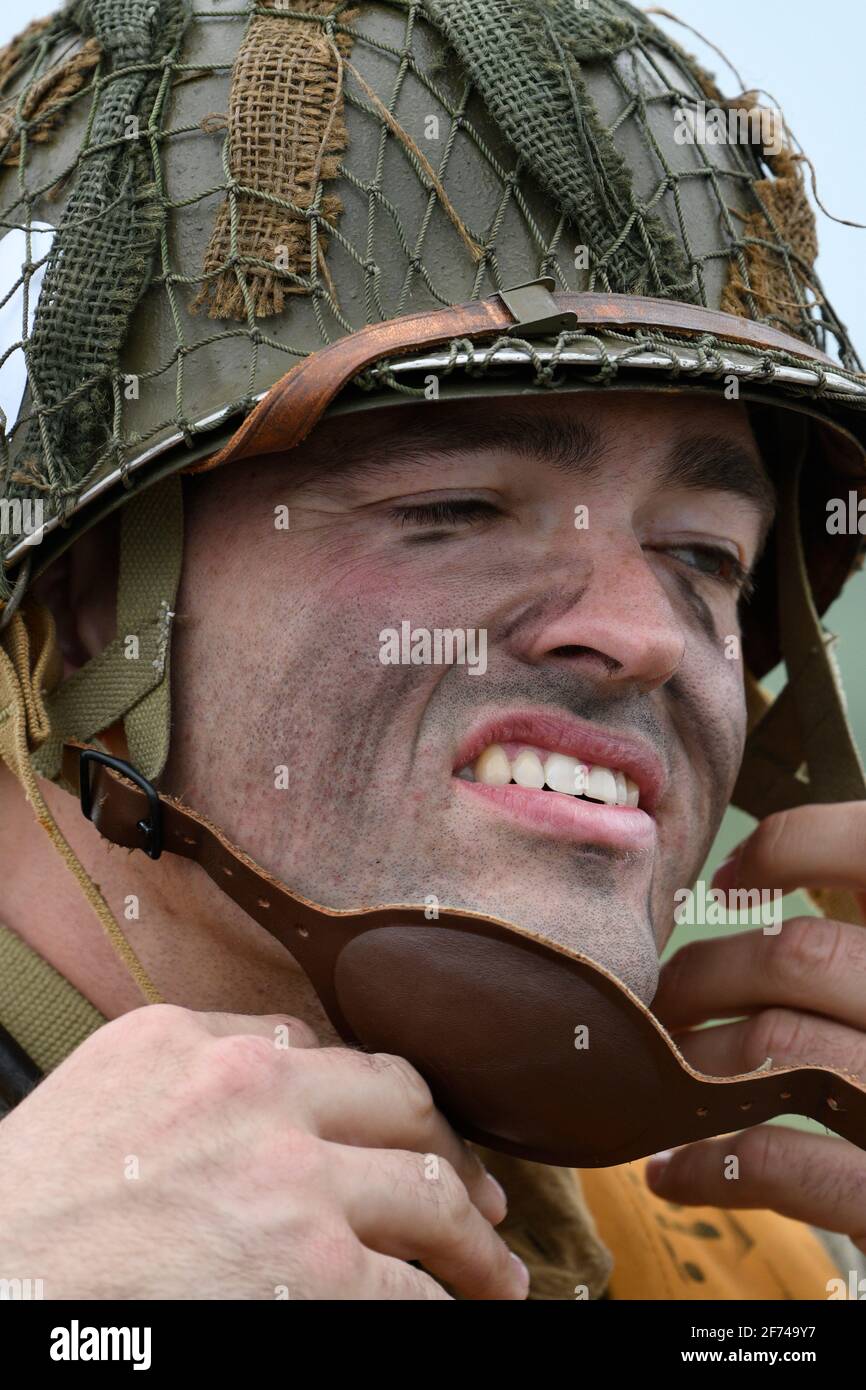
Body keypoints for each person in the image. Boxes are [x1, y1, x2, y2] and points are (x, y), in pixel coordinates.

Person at [0, 0, 864, 1300]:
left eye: (704, 557)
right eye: (454, 511)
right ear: (84, 594)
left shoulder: (735, 1261)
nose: (638, 636)